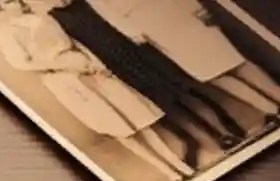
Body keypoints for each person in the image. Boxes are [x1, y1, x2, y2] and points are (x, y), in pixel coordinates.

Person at [0, 0, 197, 181]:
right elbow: (21, 63)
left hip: (88, 69)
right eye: (8, 1)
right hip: (63, 80)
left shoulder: (42, 17)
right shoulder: (7, 33)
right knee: (116, 126)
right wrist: (61, 64)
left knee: (137, 117)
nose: (16, 3)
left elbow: (74, 44)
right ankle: (167, 172)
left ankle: (178, 164)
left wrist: (95, 64)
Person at [40, 0, 248, 149]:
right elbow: (77, 47)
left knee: (184, 88)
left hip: (136, 48)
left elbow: (114, 15)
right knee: (167, 102)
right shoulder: (53, 19)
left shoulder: (87, 1)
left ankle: (225, 120)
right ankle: (217, 136)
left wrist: (137, 36)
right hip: (115, 64)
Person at [93, 0, 280, 125]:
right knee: (210, 74)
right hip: (151, 27)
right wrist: (133, 33)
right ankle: (272, 110)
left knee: (234, 60)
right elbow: (105, 10)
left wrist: (193, 5)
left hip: (173, 10)